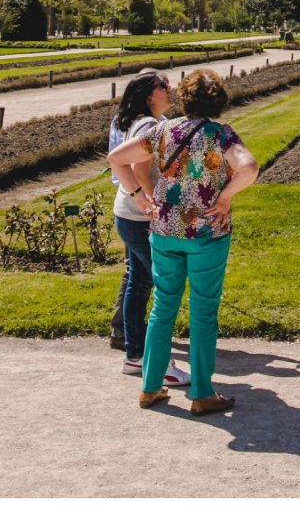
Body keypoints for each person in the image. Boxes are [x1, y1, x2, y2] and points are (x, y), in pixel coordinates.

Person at [109, 69, 258, 415]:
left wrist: (141, 197)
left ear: (186, 98)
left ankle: (149, 387)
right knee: (203, 312)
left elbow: (117, 159)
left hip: (163, 229)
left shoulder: (163, 130)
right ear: (218, 100)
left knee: (163, 308)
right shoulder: (220, 135)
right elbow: (248, 168)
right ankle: (202, 393)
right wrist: (225, 197)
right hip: (207, 233)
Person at [106, 71, 189, 388]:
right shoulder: (150, 126)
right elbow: (139, 170)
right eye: (163, 86)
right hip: (141, 220)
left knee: (138, 283)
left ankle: (135, 356)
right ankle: (160, 364)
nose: (170, 89)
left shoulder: (143, 120)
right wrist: (154, 206)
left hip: (129, 216)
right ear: (149, 94)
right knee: (166, 287)